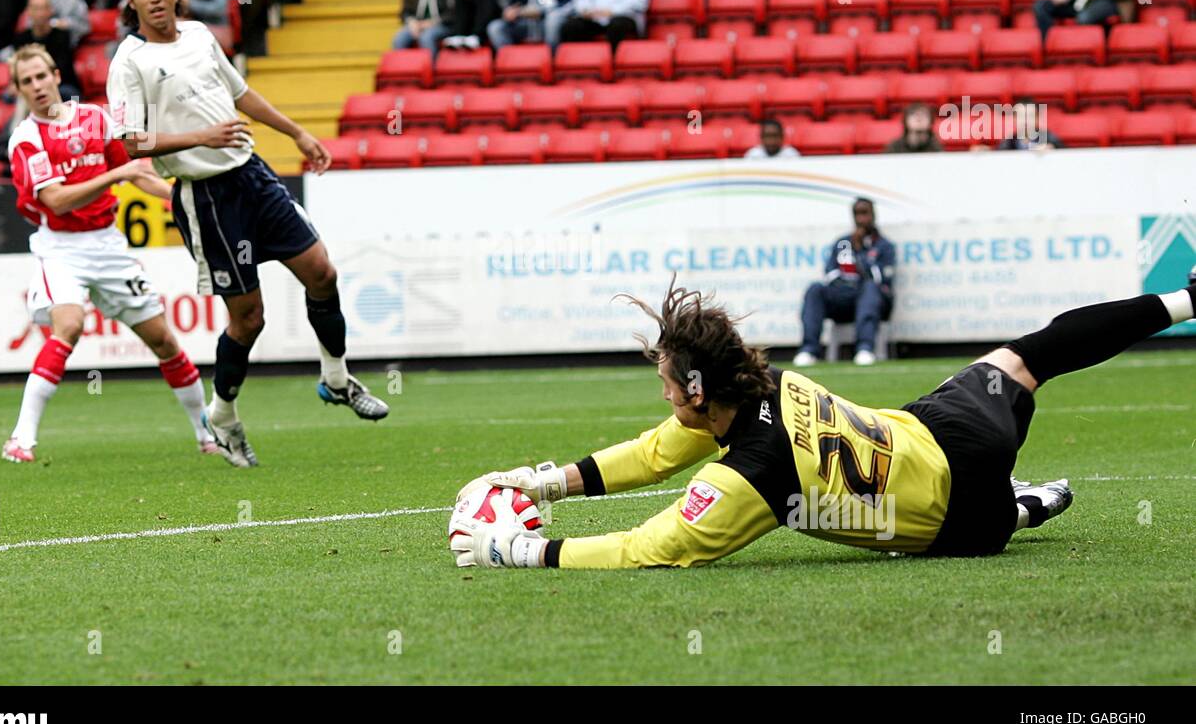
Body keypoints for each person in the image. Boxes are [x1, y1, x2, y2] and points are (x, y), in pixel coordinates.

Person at [448, 276, 1196, 569]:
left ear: (697, 393)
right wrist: (540, 484)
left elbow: (652, 548)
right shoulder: (758, 383)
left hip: (958, 509)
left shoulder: (752, 475)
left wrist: (515, 548)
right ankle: (1187, 299)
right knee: (1037, 350)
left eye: (668, 382)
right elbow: (656, 453)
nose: (664, 394)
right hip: (939, 426)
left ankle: (1022, 505)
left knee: (991, 519)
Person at [105, 0, 390, 466]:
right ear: (131, 2)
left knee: (322, 274)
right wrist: (201, 136)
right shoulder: (129, 61)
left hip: (253, 175)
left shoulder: (198, 36)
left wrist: (298, 132)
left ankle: (336, 379)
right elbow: (128, 143)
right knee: (249, 319)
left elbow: (241, 94)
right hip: (206, 197)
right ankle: (223, 416)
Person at [0, 44, 234, 466]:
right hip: (61, 248)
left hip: (107, 244)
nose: (36, 86)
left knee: (163, 340)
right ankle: (21, 439)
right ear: (18, 89)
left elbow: (138, 173)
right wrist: (118, 173)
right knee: (68, 326)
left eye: (41, 76)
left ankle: (205, 433)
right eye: (26, 81)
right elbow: (56, 200)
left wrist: (180, 201)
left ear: (56, 75)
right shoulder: (26, 138)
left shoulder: (96, 119)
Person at [792, 198, 894, 367]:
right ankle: (809, 350)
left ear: (873, 215)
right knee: (815, 289)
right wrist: (845, 285)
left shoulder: (884, 246)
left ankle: (864, 348)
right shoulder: (843, 243)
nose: (861, 219)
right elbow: (830, 273)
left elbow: (881, 279)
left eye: (865, 213)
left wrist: (860, 251)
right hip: (844, 296)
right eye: (857, 214)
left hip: (874, 301)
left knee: (869, 289)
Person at [9, 0, 81, 99]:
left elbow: (63, 69)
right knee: (8, 95)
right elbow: (18, 67)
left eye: (43, 8)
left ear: (50, 10)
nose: (40, 13)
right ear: (28, 11)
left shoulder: (62, 36)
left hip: (62, 84)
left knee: (70, 95)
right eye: (35, 8)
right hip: (30, 85)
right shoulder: (21, 38)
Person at [997, 98, 1063, 151]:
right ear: (1014, 119)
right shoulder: (1008, 142)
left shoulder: (1049, 138)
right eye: (1021, 116)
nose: (1025, 120)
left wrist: (1053, 149)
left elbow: (1067, 154)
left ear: (1037, 118)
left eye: (1030, 115)